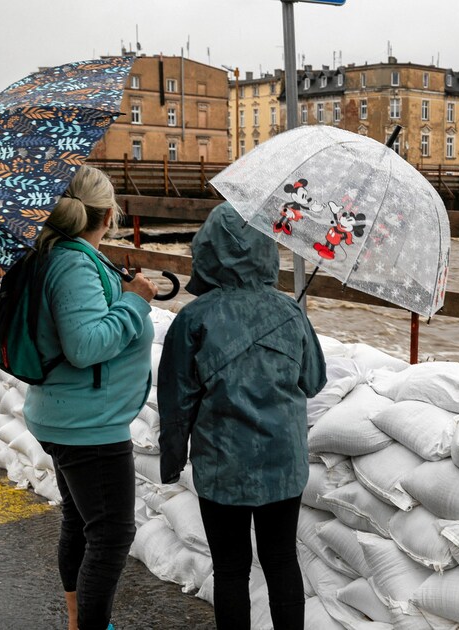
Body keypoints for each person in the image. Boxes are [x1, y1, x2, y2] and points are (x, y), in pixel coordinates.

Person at [158, 203, 327, 630]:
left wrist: (172, 460)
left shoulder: (194, 317)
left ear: (207, 250)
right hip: (283, 465)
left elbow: (175, 400)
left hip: (223, 465)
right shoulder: (290, 311)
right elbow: (313, 380)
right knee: (281, 560)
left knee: (231, 568)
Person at [23, 165, 158, 630]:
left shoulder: (59, 253)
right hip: (87, 425)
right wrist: (135, 300)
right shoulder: (73, 262)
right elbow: (84, 346)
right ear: (106, 214)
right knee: (112, 534)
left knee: (81, 524)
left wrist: (119, 293)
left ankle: (77, 621)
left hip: (67, 414)